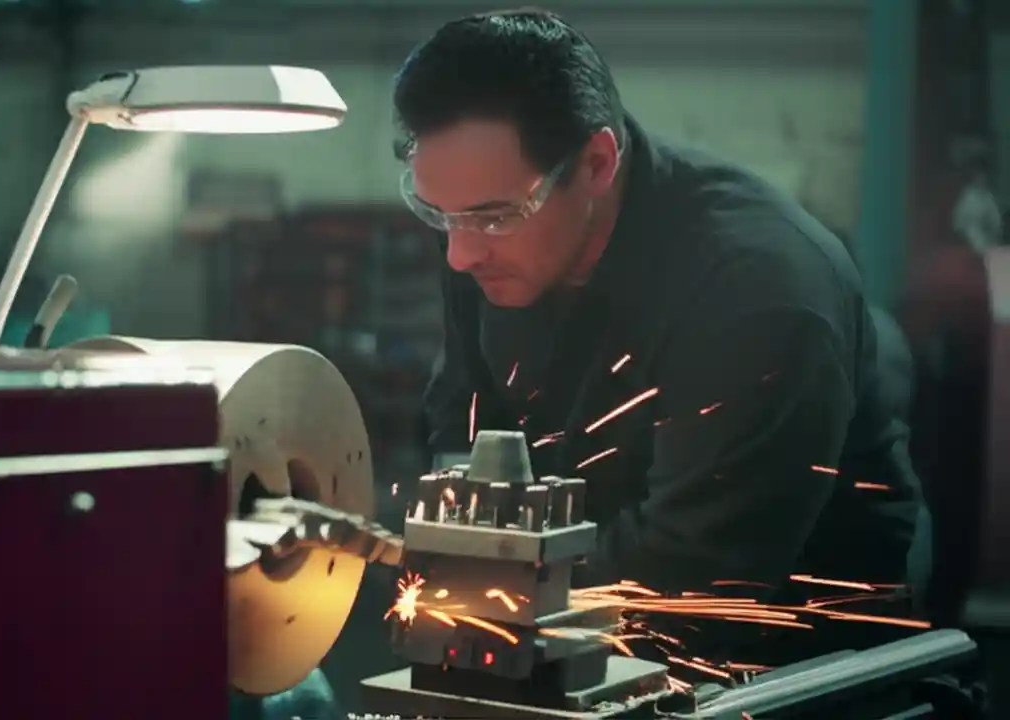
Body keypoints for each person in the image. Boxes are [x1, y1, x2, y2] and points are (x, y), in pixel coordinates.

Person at [394, 9, 927, 658]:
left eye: (491, 217)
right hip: (569, 617)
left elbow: (687, 577)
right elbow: (461, 412)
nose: (458, 255)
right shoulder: (488, 231)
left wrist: (493, 598)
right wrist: (459, 538)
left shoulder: (757, 291)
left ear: (595, 163)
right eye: (439, 215)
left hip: (779, 661)